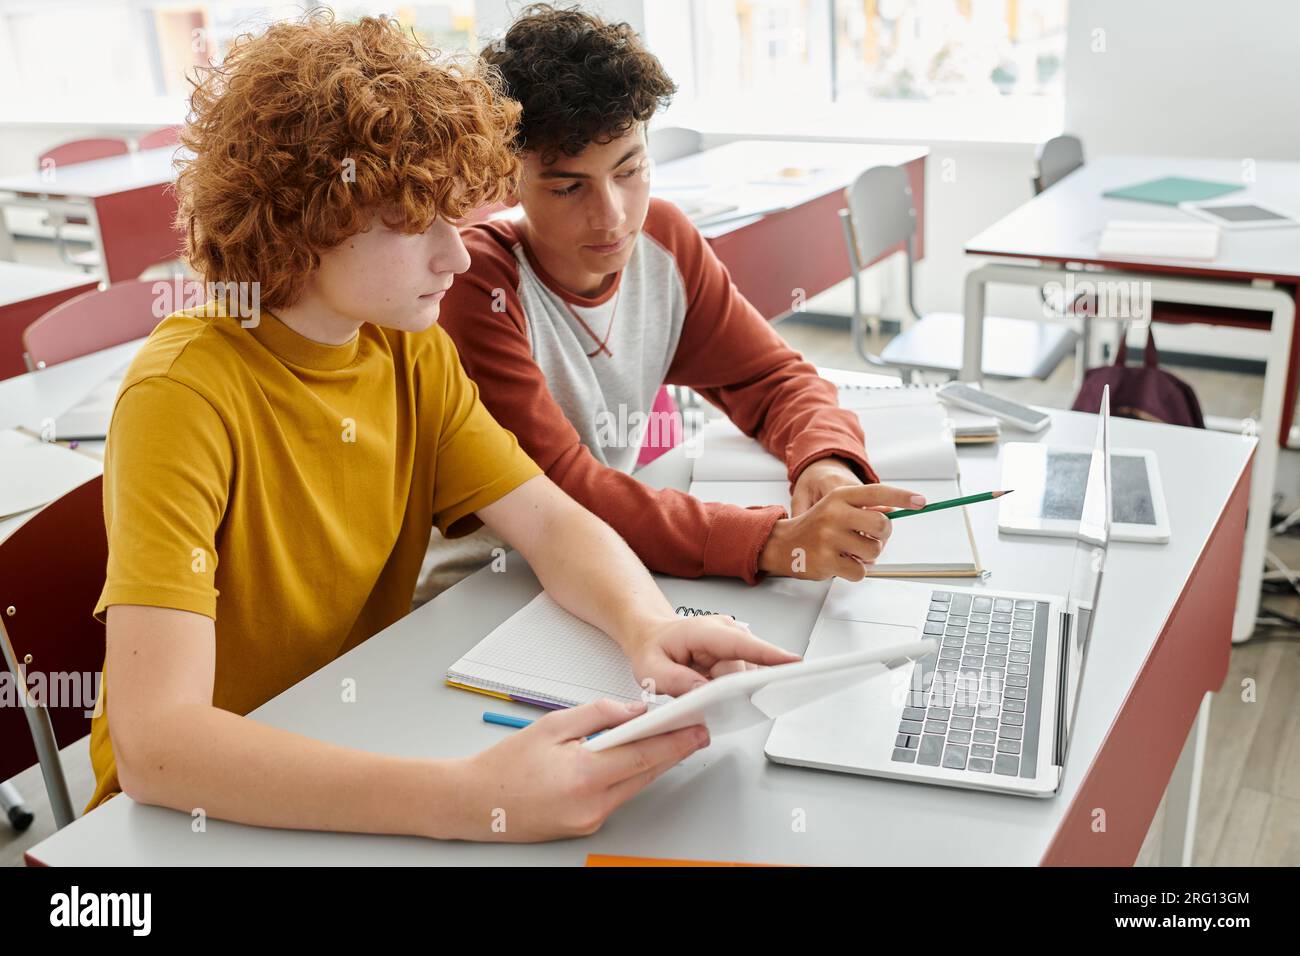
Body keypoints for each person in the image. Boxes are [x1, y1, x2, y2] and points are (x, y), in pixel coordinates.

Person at [89, 11, 799, 844]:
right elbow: (156, 747)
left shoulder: (407, 349)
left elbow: (553, 522)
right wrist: (467, 799)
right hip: (204, 814)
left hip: (358, 739)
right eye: (408, 222)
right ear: (299, 222)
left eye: (451, 217)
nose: (455, 257)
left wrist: (648, 629)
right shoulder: (183, 397)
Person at [426, 3, 921, 602]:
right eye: (566, 187)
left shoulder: (663, 240)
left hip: (611, 569)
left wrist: (824, 461)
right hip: (487, 592)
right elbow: (564, 489)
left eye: (629, 170)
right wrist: (773, 540)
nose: (611, 216)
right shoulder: (479, 284)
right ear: (510, 180)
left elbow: (774, 379)